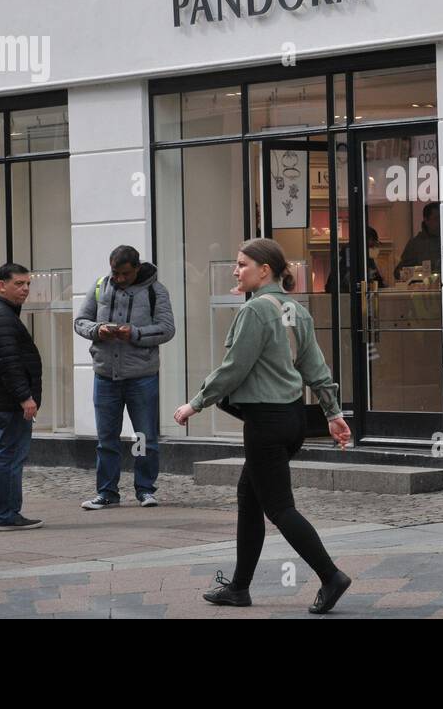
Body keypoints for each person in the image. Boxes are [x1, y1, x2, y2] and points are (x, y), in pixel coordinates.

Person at [174, 238, 353, 614]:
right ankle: (239, 588)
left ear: (264, 270)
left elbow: (234, 368)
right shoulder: (295, 309)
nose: (235, 271)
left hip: (265, 422)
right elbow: (316, 369)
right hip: (292, 420)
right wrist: (334, 414)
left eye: (241, 264)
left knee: (280, 508)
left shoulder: (255, 311)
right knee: (249, 498)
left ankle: (331, 575)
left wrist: (195, 403)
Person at [74, 245, 175, 510]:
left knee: (143, 437)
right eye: (115, 273)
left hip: (141, 376)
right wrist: (98, 330)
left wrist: (135, 334)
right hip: (105, 375)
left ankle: (145, 489)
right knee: (106, 438)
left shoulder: (156, 291)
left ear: (137, 268)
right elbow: (80, 321)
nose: (118, 278)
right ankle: (107, 492)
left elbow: (167, 329)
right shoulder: (100, 286)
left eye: (124, 274)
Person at [0, 263, 44, 531]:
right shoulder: (2, 314)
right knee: (10, 456)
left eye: (28, 283)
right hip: (9, 400)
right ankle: (6, 515)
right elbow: (8, 361)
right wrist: (25, 397)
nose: (25, 289)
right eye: (19, 284)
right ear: (1, 285)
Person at [326, 226, 384, 294]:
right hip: (344, 295)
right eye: (373, 242)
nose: (374, 246)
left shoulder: (363, 253)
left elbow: (376, 277)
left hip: (348, 293)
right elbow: (347, 277)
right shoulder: (350, 251)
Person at [395, 202, 441, 279]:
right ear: (426, 220)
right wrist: (418, 272)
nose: (440, 222)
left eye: (442, 217)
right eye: (436, 218)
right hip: (427, 289)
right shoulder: (415, 244)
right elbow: (399, 272)